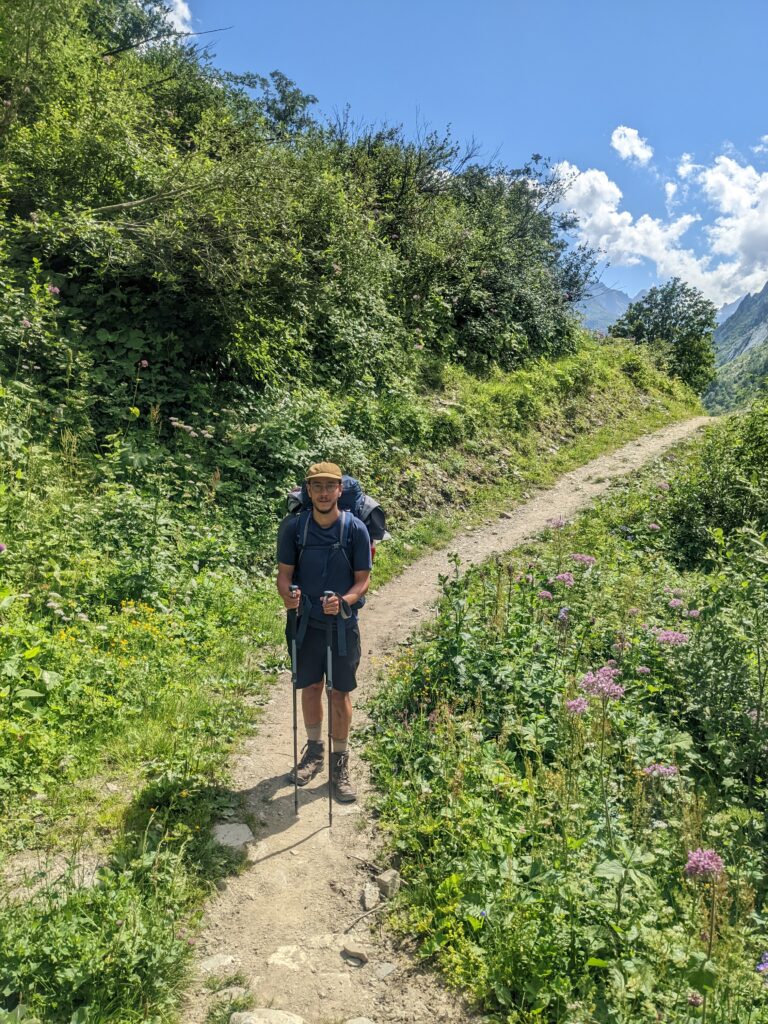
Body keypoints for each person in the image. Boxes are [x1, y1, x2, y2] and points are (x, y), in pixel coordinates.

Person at [276, 462, 371, 802]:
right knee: (311, 685)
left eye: (330, 486)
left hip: (342, 625)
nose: (324, 492)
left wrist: (343, 601)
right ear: (308, 490)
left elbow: (363, 580)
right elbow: (284, 575)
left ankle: (339, 762)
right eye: (317, 486)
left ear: (340, 490)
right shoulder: (294, 528)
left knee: (339, 692)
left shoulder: (355, 529)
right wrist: (289, 595)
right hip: (305, 624)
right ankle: (314, 752)